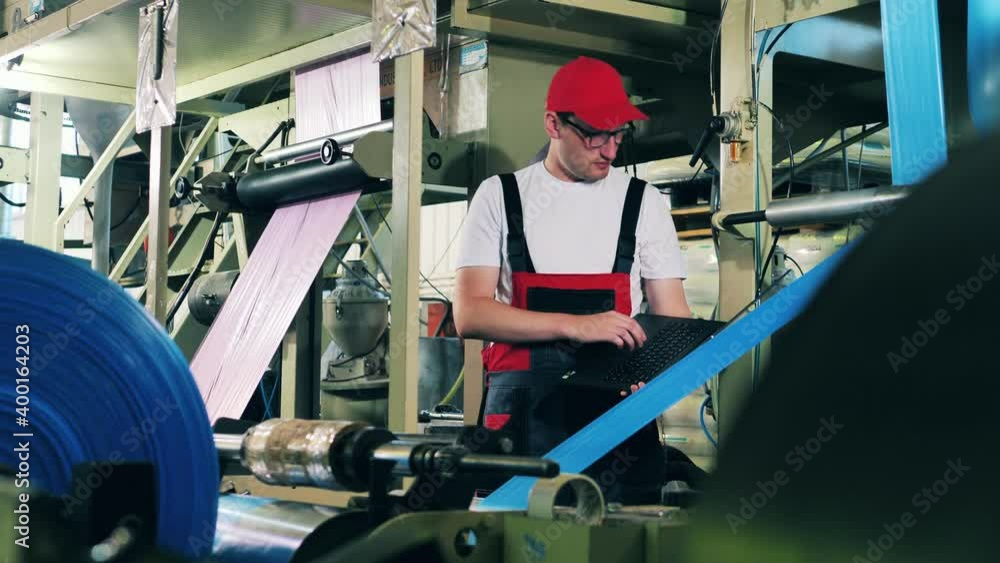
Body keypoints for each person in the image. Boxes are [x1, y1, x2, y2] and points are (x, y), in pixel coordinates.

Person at [453, 56, 692, 504]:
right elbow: (469, 314)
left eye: (619, 134)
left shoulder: (644, 203)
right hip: (522, 428)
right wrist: (576, 324)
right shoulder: (500, 196)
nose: (610, 149)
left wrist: (657, 368)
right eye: (595, 134)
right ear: (553, 125)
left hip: (618, 425)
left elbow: (673, 316)